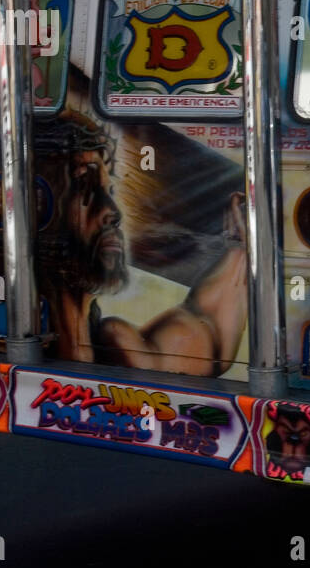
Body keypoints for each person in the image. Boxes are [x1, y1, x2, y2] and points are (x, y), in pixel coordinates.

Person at [37, 112, 248, 377]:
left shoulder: (116, 343)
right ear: (40, 205)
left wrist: (239, 248)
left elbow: (209, 335)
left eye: (109, 192)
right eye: (85, 188)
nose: (113, 212)